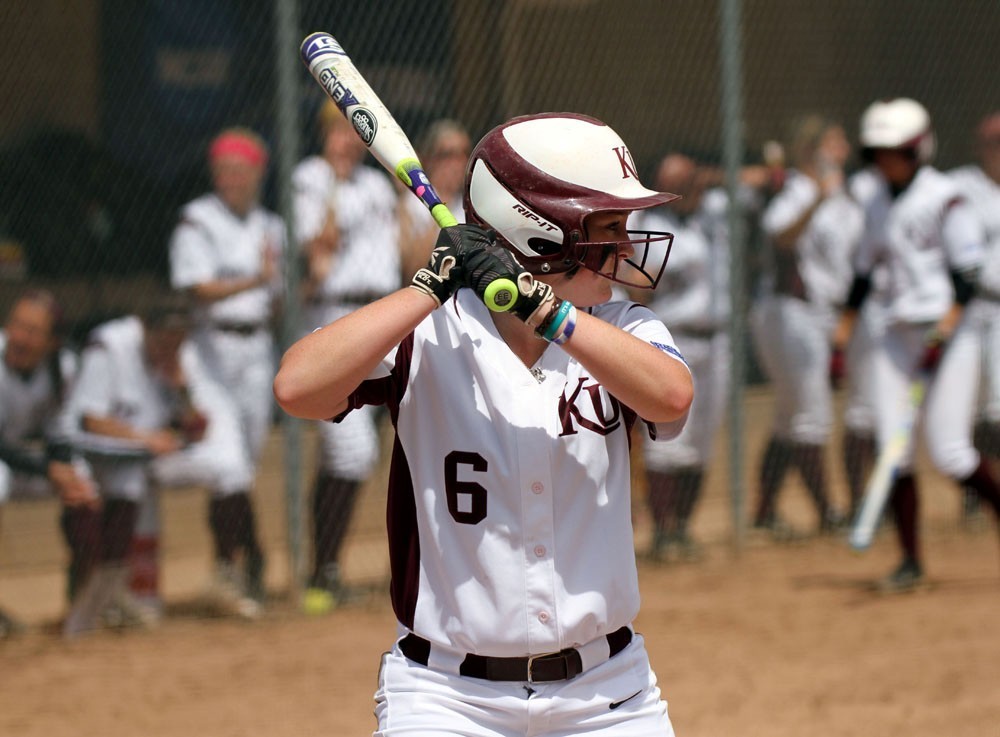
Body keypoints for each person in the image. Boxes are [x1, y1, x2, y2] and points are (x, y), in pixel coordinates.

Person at [275, 112, 694, 737]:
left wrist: (551, 315)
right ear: (538, 233)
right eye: (607, 228)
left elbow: (672, 398)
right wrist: (428, 286)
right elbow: (297, 387)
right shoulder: (426, 334)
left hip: (609, 694)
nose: (627, 248)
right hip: (444, 697)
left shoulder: (622, 328)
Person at [832, 98, 1000, 592]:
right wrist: (839, 342)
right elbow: (862, 278)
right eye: (879, 152)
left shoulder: (946, 197)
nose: (887, 161)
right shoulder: (876, 202)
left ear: (918, 150)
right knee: (894, 450)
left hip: (949, 333)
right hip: (896, 335)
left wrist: (941, 335)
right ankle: (910, 562)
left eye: (897, 151)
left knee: (949, 452)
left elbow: (967, 281)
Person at [61, 295, 261, 636]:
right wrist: (144, 439)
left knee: (229, 470)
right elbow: (89, 420)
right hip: (94, 455)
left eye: (178, 339)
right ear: (145, 329)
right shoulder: (110, 346)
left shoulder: (180, 357)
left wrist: (181, 390)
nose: (172, 346)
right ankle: (109, 595)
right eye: (165, 339)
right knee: (128, 481)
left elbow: (197, 428)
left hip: (145, 454)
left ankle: (226, 573)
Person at [291, 101, 403, 613]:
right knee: (349, 453)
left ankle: (338, 568)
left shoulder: (378, 187)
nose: (347, 141)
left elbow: (402, 252)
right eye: (337, 131)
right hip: (336, 317)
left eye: (353, 132)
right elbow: (319, 244)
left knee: (376, 450)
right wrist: (335, 180)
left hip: (383, 313)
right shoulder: (312, 178)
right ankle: (321, 570)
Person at [168, 127, 282, 604]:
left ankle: (230, 566)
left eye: (241, 170)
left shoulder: (271, 226)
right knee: (229, 464)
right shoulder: (197, 220)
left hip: (256, 351)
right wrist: (254, 279)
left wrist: (270, 287)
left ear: (259, 173)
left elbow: (277, 299)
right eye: (224, 170)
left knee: (243, 468)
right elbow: (194, 287)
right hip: (210, 351)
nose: (231, 179)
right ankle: (245, 560)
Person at [749, 114, 860, 538]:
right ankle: (828, 512)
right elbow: (779, 234)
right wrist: (815, 199)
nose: (842, 150)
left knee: (786, 417)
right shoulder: (797, 189)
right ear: (812, 149)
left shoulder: (845, 195)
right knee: (810, 415)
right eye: (834, 142)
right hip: (789, 311)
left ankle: (763, 512)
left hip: (829, 312)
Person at [629, 153, 731, 561]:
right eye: (673, 183)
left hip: (718, 338)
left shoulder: (713, 215)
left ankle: (684, 528)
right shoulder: (650, 225)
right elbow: (638, 288)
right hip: (674, 338)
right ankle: (664, 532)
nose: (683, 191)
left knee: (704, 439)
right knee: (669, 442)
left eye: (690, 181)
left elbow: (755, 180)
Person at [0, 290, 98, 637]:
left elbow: (61, 431)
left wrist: (64, 471)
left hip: (25, 463)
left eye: (32, 331)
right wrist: (48, 469)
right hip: (9, 463)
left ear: (53, 341)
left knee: (84, 483)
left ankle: (82, 606)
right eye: (16, 325)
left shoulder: (63, 367)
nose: (19, 337)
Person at [948, 111, 1000, 525]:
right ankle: (975, 493)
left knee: (998, 406)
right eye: (991, 143)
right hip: (973, 306)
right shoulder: (963, 185)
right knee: (976, 404)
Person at [398, 118, 473, 280]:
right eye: (448, 155)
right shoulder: (411, 205)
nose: (459, 163)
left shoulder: (470, 206)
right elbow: (411, 269)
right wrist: (439, 207)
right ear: (429, 160)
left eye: (464, 153)